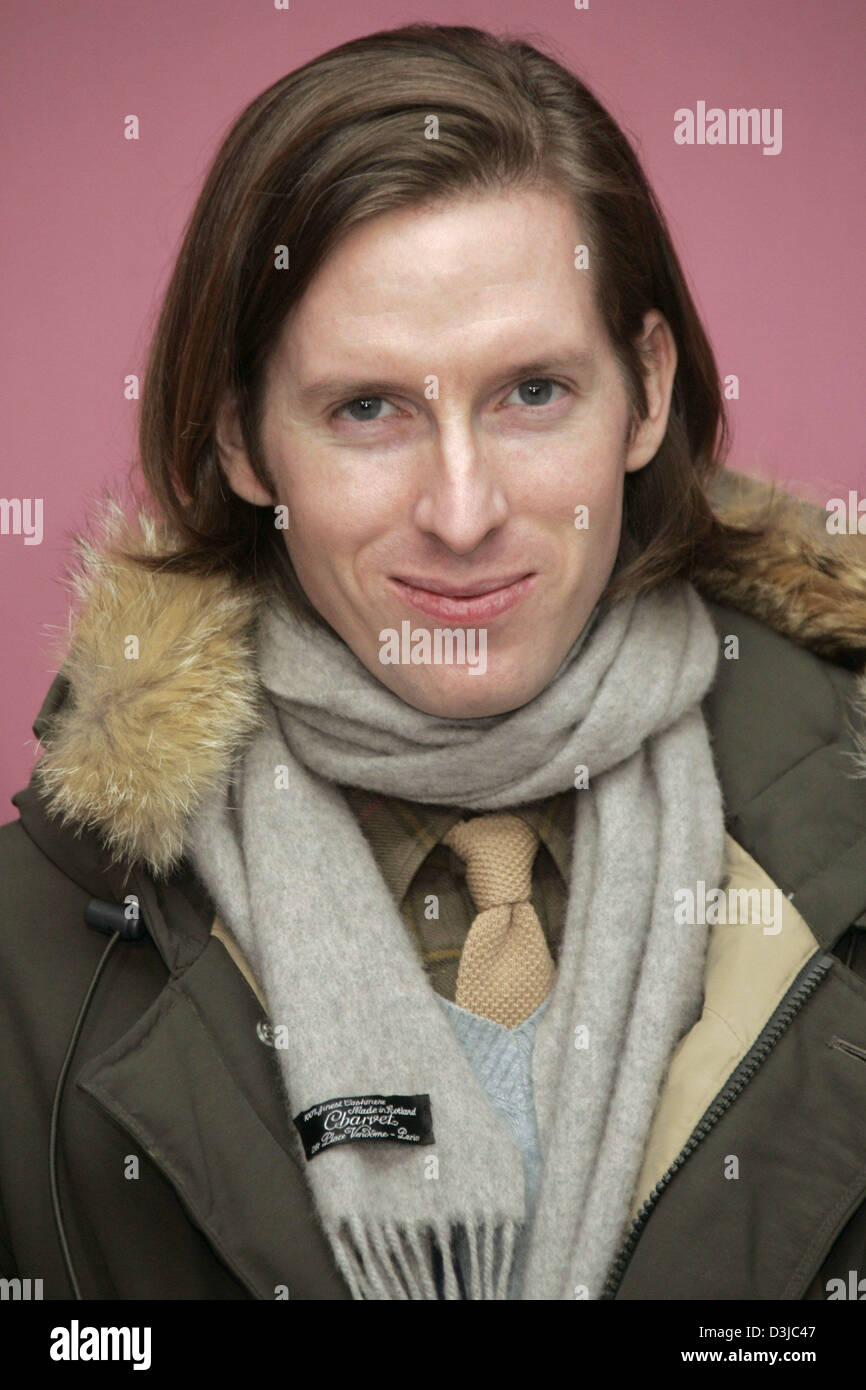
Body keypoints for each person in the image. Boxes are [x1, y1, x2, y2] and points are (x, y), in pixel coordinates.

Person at [2, 21, 865, 1302]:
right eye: (367, 409)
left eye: (530, 393)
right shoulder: (34, 944)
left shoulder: (841, 816)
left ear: (642, 387)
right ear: (243, 443)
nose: (461, 514)